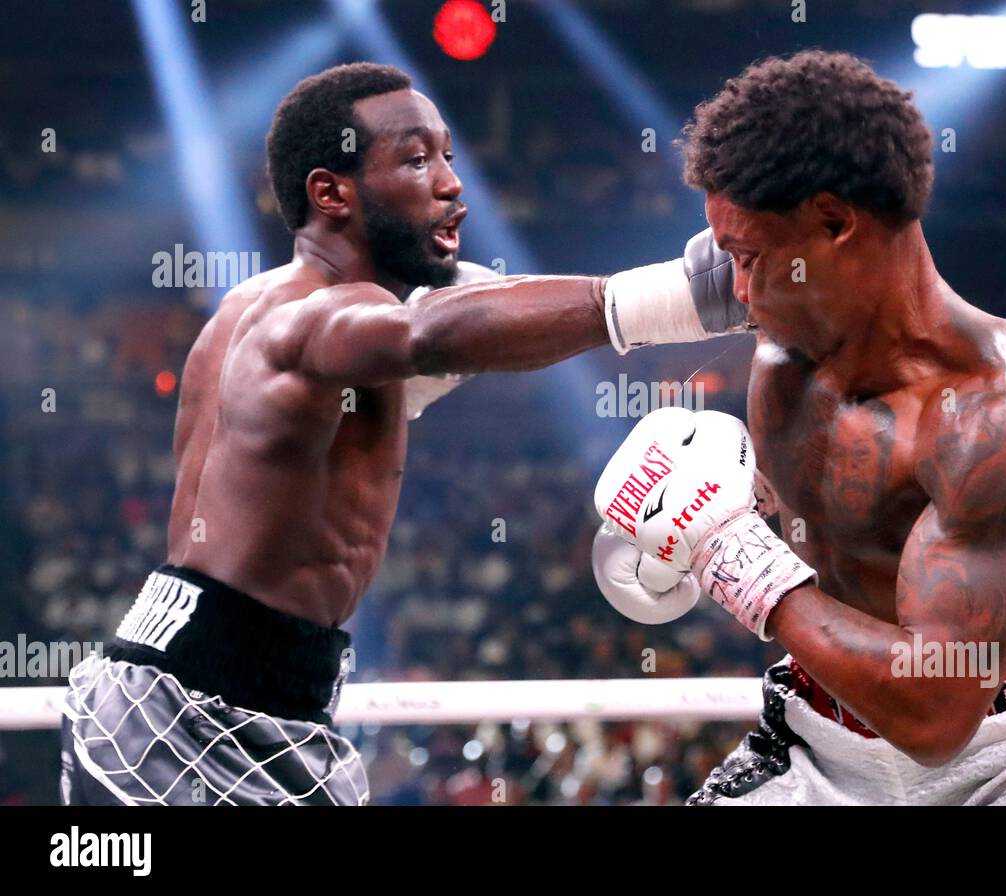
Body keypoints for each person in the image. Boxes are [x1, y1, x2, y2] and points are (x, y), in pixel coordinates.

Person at [60, 62, 744, 805]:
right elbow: (427, 334)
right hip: (191, 717)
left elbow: (427, 339)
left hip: (229, 693)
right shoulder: (314, 313)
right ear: (331, 194)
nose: (452, 183)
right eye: (416, 160)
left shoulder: (266, 314)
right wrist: (678, 299)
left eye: (448, 155)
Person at [591, 50, 1006, 806]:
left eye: (748, 257)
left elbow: (939, 711)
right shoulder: (784, 343)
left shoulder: (997, 412)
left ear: (835, 224)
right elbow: (533, 320)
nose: (735, 288)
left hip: (1003, 756)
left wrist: (734, 558)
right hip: (815, 738)